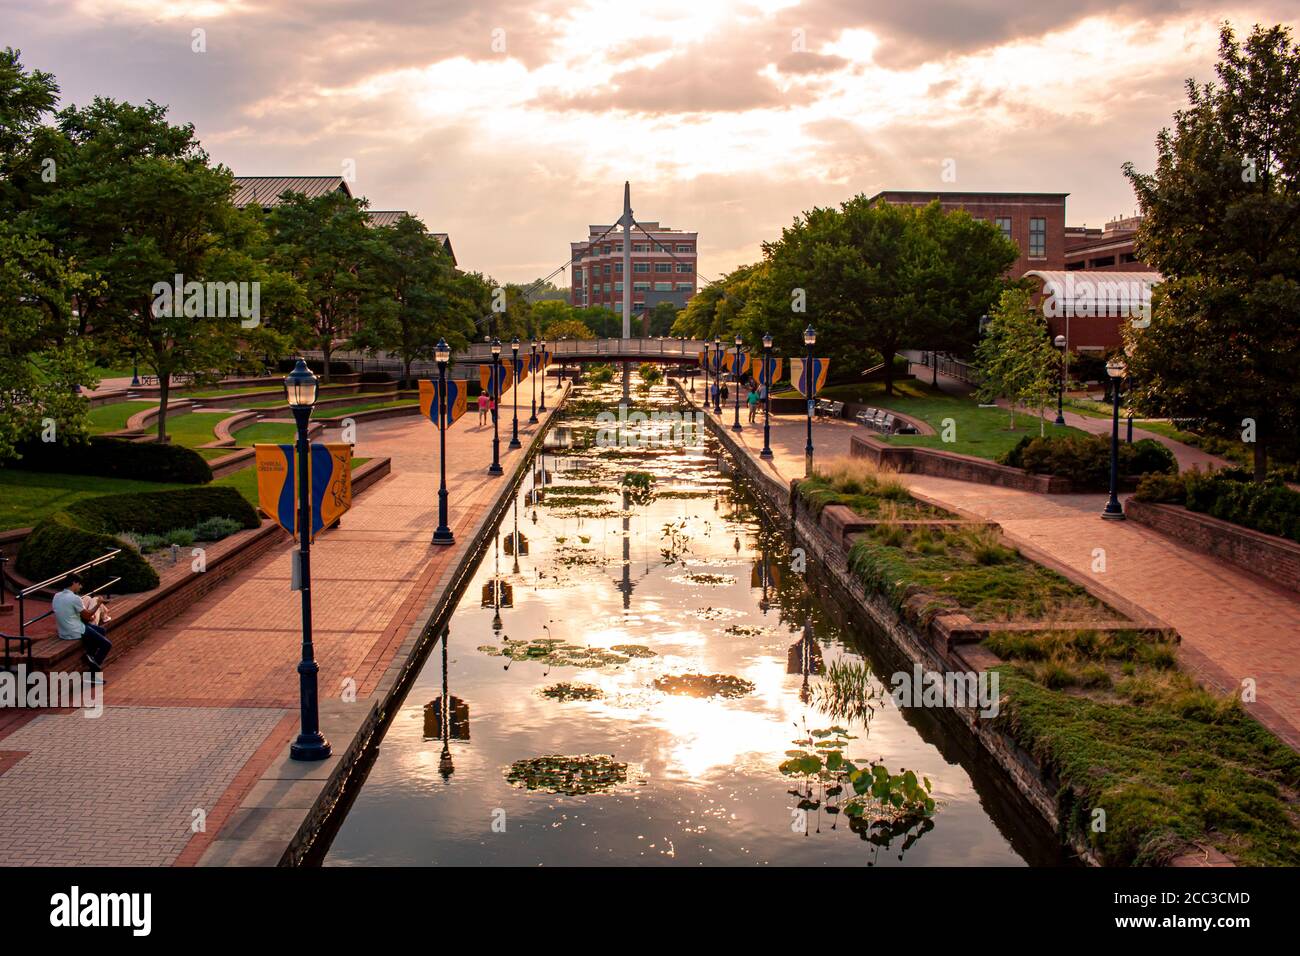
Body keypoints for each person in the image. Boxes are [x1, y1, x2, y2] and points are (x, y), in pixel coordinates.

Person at [52, 573, 111, 681]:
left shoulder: (57, 596)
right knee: (106, 644)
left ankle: (90, 656)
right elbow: (88, 616)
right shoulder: (75, 598)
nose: (80, 587)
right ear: (74, 583)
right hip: (75, 631)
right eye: (79, 584)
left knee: (101, 630)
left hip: (63, 631)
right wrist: (99, 604)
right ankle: (92, 674)